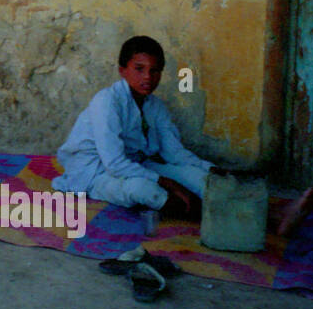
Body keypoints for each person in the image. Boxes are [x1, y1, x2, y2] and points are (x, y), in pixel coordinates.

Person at [52, 36, 214, 219]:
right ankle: (195, 215)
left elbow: (174, 153)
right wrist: (168, 183)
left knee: (199, 178)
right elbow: (114, 164)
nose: (147, 77)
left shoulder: (155, 106)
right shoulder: (107, 101)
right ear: (123, 71)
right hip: (94, 171)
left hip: (133, 164)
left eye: (154, 71)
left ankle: (207, 208)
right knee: (144, 190)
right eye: (139, 69)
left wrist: (208, 168)